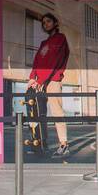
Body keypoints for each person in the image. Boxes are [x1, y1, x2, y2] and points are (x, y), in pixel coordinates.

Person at [26, 12, 71, 156]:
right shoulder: (43, 44)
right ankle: (39, 143)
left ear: (55, 23)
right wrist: (32, 78)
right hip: (39, 82)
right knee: (37, 113)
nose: (46, 24)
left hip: (52, 81)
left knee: (57, 112)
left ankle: (64, 145)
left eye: (48, 21)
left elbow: (56, 61)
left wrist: (43, 80)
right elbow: (36, 63)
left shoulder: (60, 39)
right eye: (44, 23)